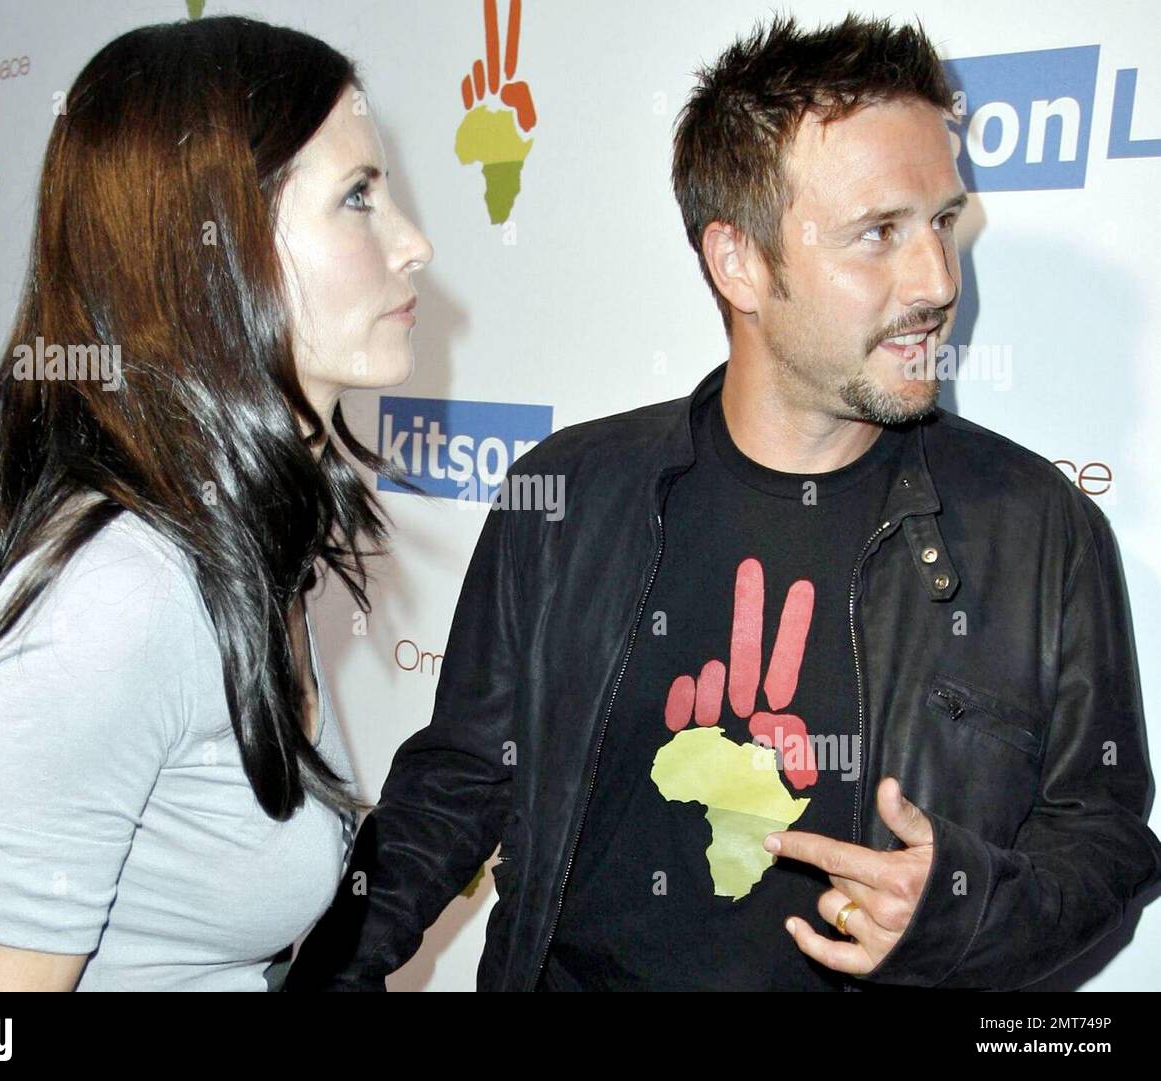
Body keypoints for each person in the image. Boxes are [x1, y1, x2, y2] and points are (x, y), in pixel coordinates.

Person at [286, 12, 1161, 991]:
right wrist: (325, 974)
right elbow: (456, 783)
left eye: (942, 223)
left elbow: (1107, 840)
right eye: (878, 233)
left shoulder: (1037, 528)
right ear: (736, 260)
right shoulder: (570, 495)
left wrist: (964, 908)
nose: (936, 280)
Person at [0, 14, 432, 991]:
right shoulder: (118, 599)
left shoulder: (229, 547)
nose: (414, 244)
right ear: (215, 248)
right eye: (358, 199)